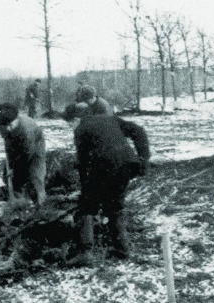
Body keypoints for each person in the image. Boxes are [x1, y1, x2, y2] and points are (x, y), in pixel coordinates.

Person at [63, 102, 150, 259]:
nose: (71, 127)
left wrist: (84, 190)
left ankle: (85, 252)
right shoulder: (110, 119)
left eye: (69, 123)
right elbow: (139, 131)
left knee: (86, 207)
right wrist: (143, 159)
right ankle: (122, 250)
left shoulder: (81, 129)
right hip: (127, 165)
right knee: (114, 205)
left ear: (76, 119)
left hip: (104, 166)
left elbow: (84, 163)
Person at [0, 102, 46, 206]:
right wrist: (10, 166)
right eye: (4, 126)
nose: (7, 128)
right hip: (13, 144)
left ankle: (40, 203)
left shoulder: (27, 131)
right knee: (8, 176)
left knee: (35, 176)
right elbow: (7, 141)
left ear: (15, 120)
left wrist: (15, 169)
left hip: (35, 145)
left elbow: (26, 155)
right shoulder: (2, 123)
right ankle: (18, 200)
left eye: (10, 125)